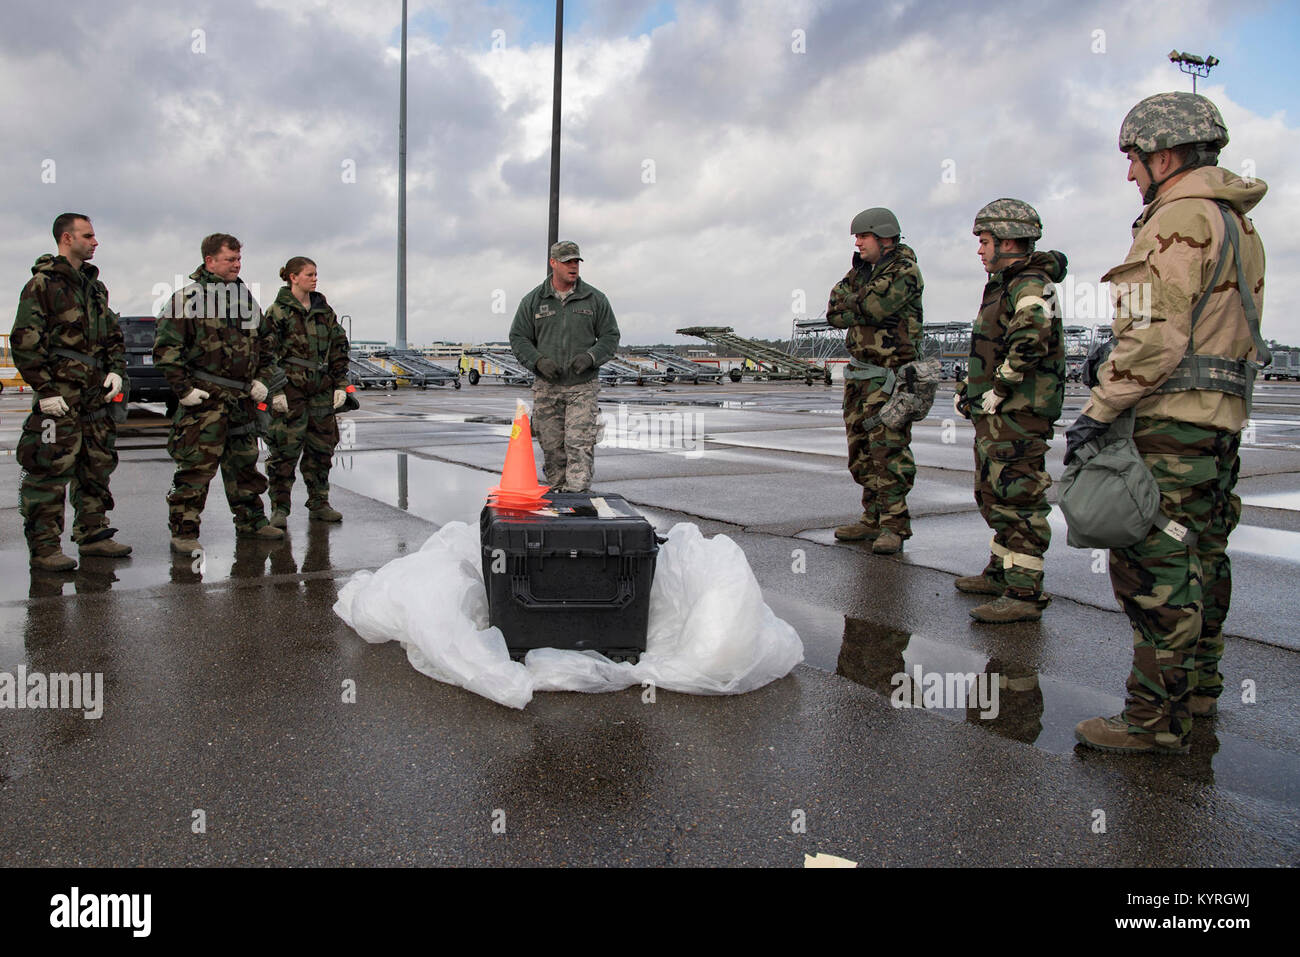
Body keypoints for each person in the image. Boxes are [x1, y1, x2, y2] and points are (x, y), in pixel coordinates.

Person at [1071, 93, 1267, 755]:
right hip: (1219, 422)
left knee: (1155, 568)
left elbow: (1154, 340)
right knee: (1205, 555)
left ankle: (1154, 720)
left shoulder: (1177, 218)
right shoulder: (1237, 222)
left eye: (1134, 157)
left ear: (1166, 152)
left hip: (1170, 425)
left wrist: (1098, 410)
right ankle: (1200, 686)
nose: (1130, 173)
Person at [954, 199, 1066, 623]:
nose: (980, 250)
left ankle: (1024, 592)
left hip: (1020, 413)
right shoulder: (1008, 282)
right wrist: (973, 389)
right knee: (993, 492)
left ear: (1008, 240)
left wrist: (1001, 386)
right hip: (1000, 413)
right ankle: (1002, 571)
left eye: (984, 242)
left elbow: (1031, 335)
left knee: (1018, 497)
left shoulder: (1030, 283)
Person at [11, 213, 132, 570]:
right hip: (60, 397)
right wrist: (45, 389)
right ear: (67, 238)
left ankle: (93, 535)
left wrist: (115, 371)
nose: (95, 242)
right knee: (48, 471)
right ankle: (45, 548)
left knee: (96, 467)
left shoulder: (95, 287)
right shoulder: (42, 284)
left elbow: (112, 336)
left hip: (94, 397)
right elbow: (25, 341)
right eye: (88, 235)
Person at [154, 233, 284, 553]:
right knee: (196, 469)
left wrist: (263, 381)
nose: (237, 265)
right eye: (230, 260)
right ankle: (184, 531)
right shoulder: (187, 299)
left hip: (242, 399)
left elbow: (267, 347)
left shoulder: (245, 300)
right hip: (205, 400)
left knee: (244, 465)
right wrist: (183, 390)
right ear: (210, 260)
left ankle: (251, 521)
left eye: (239, 259)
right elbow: (167, 349)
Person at [825, 207, 924, 554]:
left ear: (884, 237)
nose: (857, 242)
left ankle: (894, 525)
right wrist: (859, 303)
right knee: (861, 452)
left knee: (889, 451)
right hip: (860, 376)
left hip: (890, 379)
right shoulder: (863, 270)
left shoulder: (905, 270)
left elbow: (876, 308)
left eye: (863, 236)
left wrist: (858, 304)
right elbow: (834, 309)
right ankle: (872, 518)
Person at [508, 241, 620, 493]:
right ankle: (558, 499)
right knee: (552, 447)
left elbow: (610, 336)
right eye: (567, 261)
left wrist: (591, 357)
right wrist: (538, 361)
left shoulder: (594, 299)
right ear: (553, 263)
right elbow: (518, 337)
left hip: (583, 387)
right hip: (547, 388)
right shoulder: (534, 301)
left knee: (579, 444)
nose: (573, 267)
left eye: (576, 262)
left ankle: (578, 501)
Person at [264, 257, 350, 526]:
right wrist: (275, 390)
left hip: (321, 392)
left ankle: (319, 503)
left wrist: (340, 384)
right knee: (284, 452)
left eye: (316, 274)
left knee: (321, 451)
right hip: (291, 392)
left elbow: (339, 347)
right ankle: (279, 509)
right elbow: (266, 354)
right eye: (309, 274)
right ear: (293, 277)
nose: (314, 278)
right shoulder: (277, 312)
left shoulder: (324, 311)